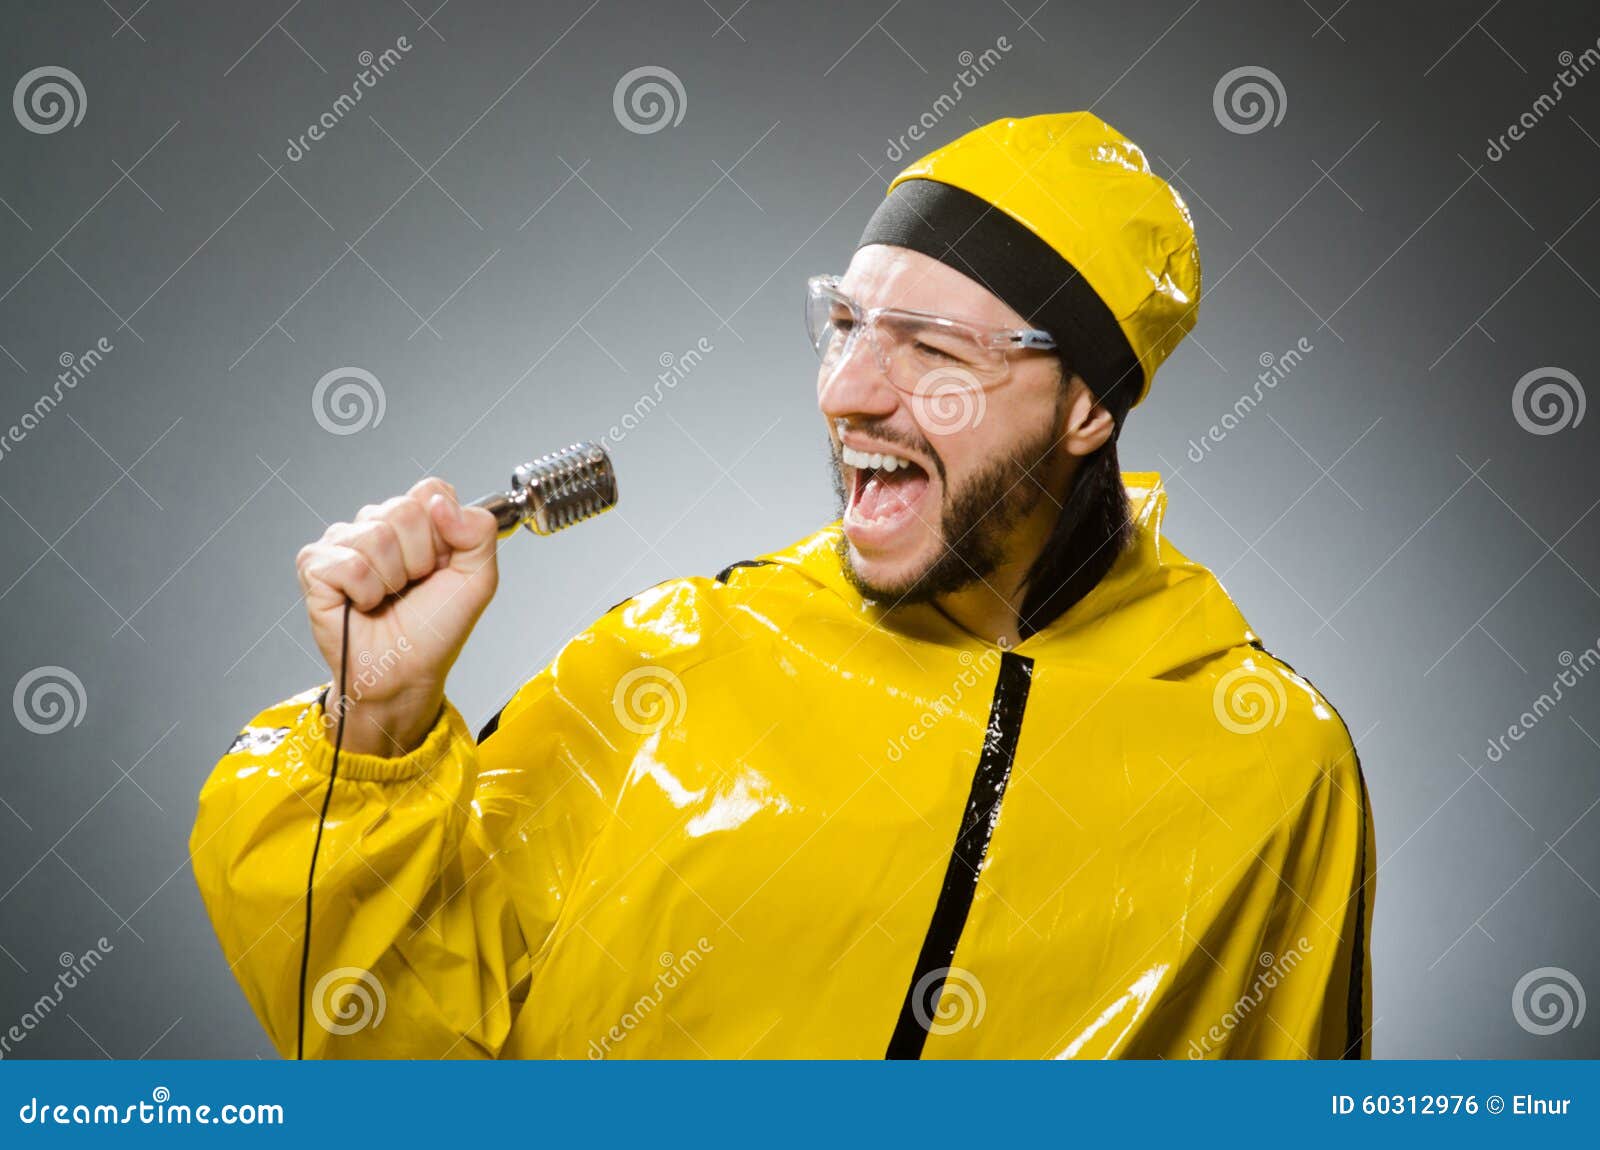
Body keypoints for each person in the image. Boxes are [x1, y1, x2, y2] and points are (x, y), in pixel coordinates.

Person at [191, 112, 1374, 1059]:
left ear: (1085, 408)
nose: (848, 389)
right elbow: (389, 1042)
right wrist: (375, 738)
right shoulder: (681, 662)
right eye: (845, 322)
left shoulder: (1266, 763)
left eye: (932, 348)